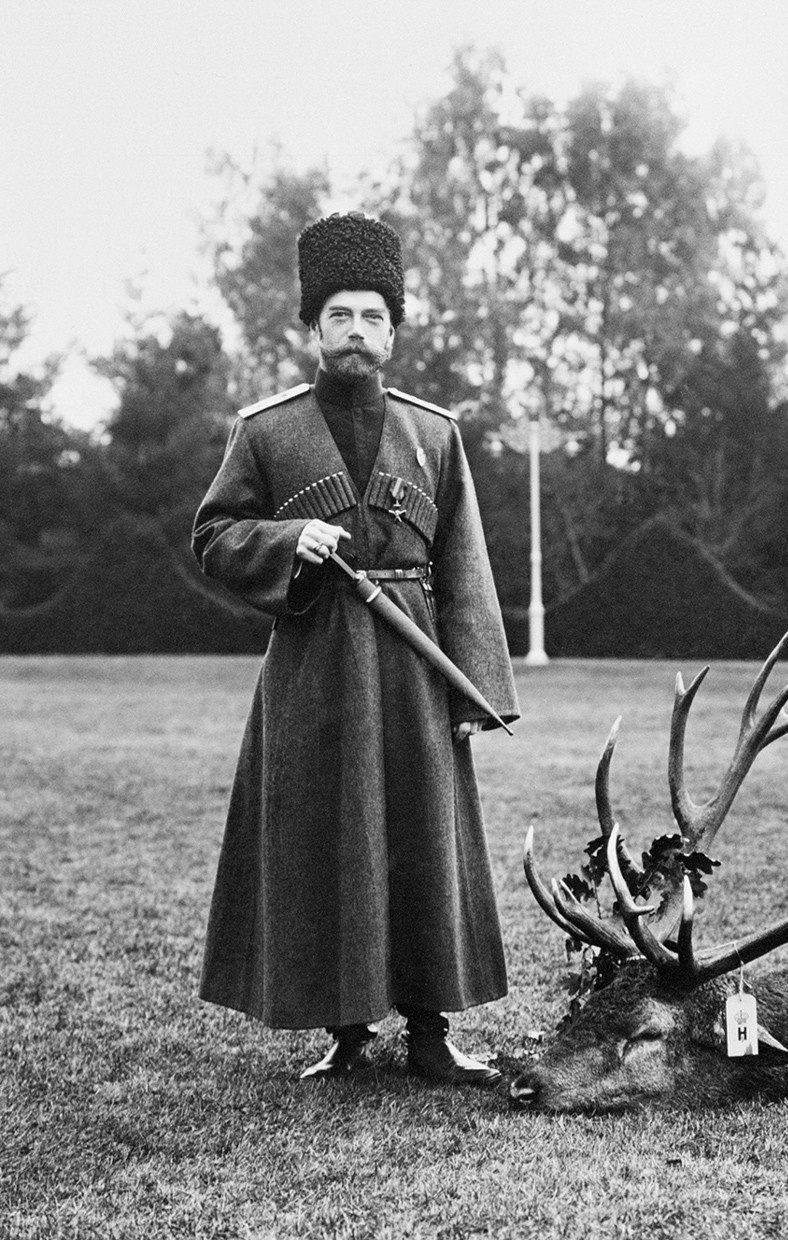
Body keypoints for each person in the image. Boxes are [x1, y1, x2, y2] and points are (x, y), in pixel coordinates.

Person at [193, 211, 519, 1085]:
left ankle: (432, 1035)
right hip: (315, 666)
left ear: (393, 332)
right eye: (339, 315)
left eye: (373, 317)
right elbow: (214, 535)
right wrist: (285, 540)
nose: (356, 331)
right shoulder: (265, 431)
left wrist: (476, 691)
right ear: (312, 327)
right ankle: (345, 1030)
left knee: (423, 840)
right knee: (326, 837)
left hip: (414, 669)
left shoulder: (434, 433)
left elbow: (464, 564)